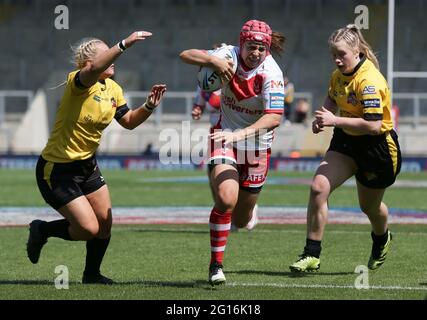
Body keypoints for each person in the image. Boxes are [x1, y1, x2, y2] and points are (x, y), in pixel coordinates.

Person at [27, 31, 167, 284]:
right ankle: (42, 229)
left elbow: (129, 122)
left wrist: (148, 106)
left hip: (87, 166)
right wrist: (124, 44)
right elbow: (93, 71)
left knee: (104, 224)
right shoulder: (78, 82)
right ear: (89, 63)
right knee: (87, 229)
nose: (113, 58)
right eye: (106, 54)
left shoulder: (113, 88)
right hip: (57, 170)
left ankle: (91, 275)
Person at [180, 19, 285, 285]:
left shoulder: (272, 73)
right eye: (251, 47)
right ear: (242, 43)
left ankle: (248, 209)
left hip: (257, 148)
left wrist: (239, 135)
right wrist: (214, 62)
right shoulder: (229, 54)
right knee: (226, 200)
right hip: (224, 137)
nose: (257, 53)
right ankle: (216, 265)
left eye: (262, 49)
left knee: (242, 219)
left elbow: (274, 118)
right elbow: (186, 55)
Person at [289, 24, 401, 273]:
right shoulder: (338, 75)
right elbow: (333, 95)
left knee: (369, 207)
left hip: (377, 147)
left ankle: (382, 238)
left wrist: (334, 120)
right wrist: (323, 116)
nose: (337, 60)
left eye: (342, 55)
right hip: (346, 141)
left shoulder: (369, 81)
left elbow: (373, 126)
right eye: (334, 56)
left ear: (357, 51)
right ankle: (312, 254)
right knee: (318, 188)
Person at [192, 44, 259, 232]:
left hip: (239, 130)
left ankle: (249, 207)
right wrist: (197, 109)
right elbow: (201, 102)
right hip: (217, 130)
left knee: (241, 171)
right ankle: (224, 210)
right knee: (214, 172)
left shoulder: (234, 77)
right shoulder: (206, 79)